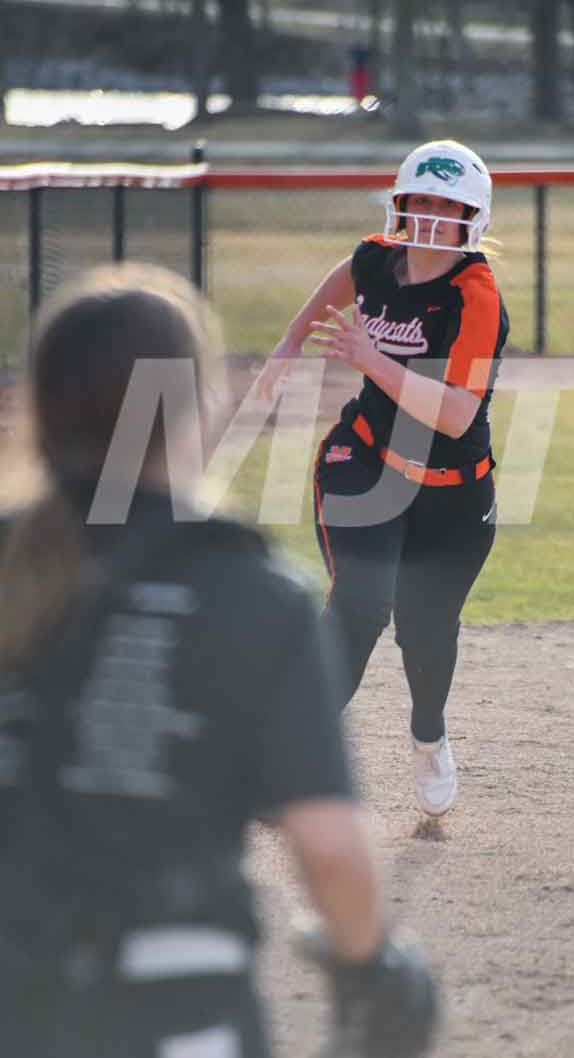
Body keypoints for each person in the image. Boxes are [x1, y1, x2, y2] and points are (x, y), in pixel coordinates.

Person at [0, 264, 437, 1058]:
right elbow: (329, 846)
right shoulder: (247, 589)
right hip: (172, 1016)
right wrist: (373, 969)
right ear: (193, 410)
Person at [258, 140, 509, 818]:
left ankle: (428, 734)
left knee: (425, 636)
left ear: (473, 216)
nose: (430, 216)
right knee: (361, 604)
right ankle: (290, 749)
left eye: (446, 204)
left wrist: (371, 360)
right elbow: (349, 273)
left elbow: (457, 415)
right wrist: (286, 345)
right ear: (399, 204)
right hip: (363, 459)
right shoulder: (378, 256)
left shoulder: (476, 296)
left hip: (453, 490)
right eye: (420, 200)